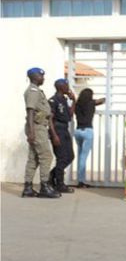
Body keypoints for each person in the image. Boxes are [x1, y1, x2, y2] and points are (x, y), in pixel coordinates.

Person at [23, 68, 60, 198]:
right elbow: (30, 111)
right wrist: (32, 132)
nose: (43, 78)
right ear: (34, 77)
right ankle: (44, 186)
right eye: (41, 76)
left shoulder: (37, 91)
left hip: (38, 127)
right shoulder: (33, 91)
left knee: (33, 158)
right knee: (46, 156)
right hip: (37, 128)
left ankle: (28, 188)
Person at [72, 87, 104, 188]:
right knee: (83, 157)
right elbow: (103, 100)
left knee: (80, 155)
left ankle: (80, 180)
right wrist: (94, 101)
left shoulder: (77, 104)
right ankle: (81, 181)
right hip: (88, 131)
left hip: (78, 131)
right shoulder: (91, 103)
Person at [48, 79, 76, 194]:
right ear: (61, 87)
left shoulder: (64, 99)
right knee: (62, 157)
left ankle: (52, 175)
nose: (68, 87)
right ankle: (60, 184)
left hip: (64, 129)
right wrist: (54, 135)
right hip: (57, 129)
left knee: (70, 156)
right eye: (66, 85)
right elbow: (50, 119)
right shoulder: (53, 100)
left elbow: (70, 114)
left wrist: (74, 100)